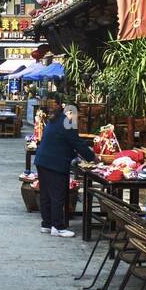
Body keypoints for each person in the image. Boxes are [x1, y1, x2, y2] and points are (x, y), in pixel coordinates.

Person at [32, 92, 95, 237]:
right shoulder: (66, 122)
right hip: (54, 163)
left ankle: (46, 224)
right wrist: (93, 157)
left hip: (43, 161)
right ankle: (58, 227)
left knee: (46, 194)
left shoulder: (53, 120)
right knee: (57, 195)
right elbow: (76, 142)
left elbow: (62, 142)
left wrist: (76, 155)